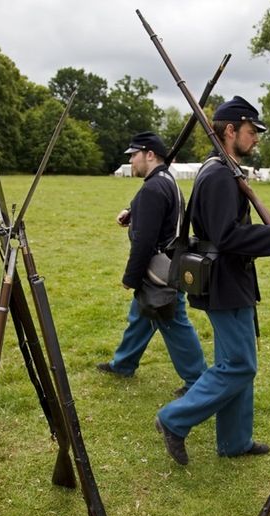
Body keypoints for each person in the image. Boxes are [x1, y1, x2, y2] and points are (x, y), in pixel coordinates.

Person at [153, 96, 270, 465]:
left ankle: (234, 440)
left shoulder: (223, 169)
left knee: (237, 361)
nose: (256, 139)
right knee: (239, 366)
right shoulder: (219, 174)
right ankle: (174, 419)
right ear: (230, 130)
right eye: (252, 131)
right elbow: (227, 236)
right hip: (225, 282)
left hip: (231, 280)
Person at [96, 132, 207, 397]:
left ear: (149, 155)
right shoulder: (165, 180)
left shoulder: (153, 188)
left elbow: (144, 241)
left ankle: (198, 380)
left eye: (134, 155)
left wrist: (130, 278)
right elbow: (153, 210)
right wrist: (132, 212)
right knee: (140, 317)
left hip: (158, 270)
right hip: (169, 264)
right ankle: (123, 364)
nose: (131, 160)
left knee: (173, 322)